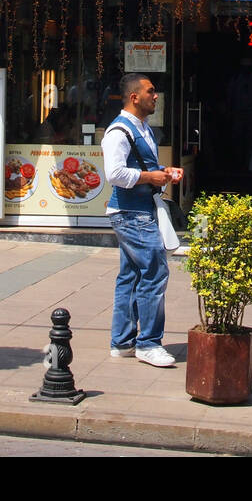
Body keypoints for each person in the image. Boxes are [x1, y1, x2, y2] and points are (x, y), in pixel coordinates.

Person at [101, 72, 182, 367]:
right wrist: (151, 176)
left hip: (139, 210)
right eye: (150, 91)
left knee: (131, 275)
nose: (156, 95)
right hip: (131, 213)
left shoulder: (143, 128)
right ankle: (148, 343)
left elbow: (140, 165)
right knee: (155, 272)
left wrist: (164, 170)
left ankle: (122, 342)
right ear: (135, 97)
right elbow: (115, 174)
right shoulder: (118, 132)